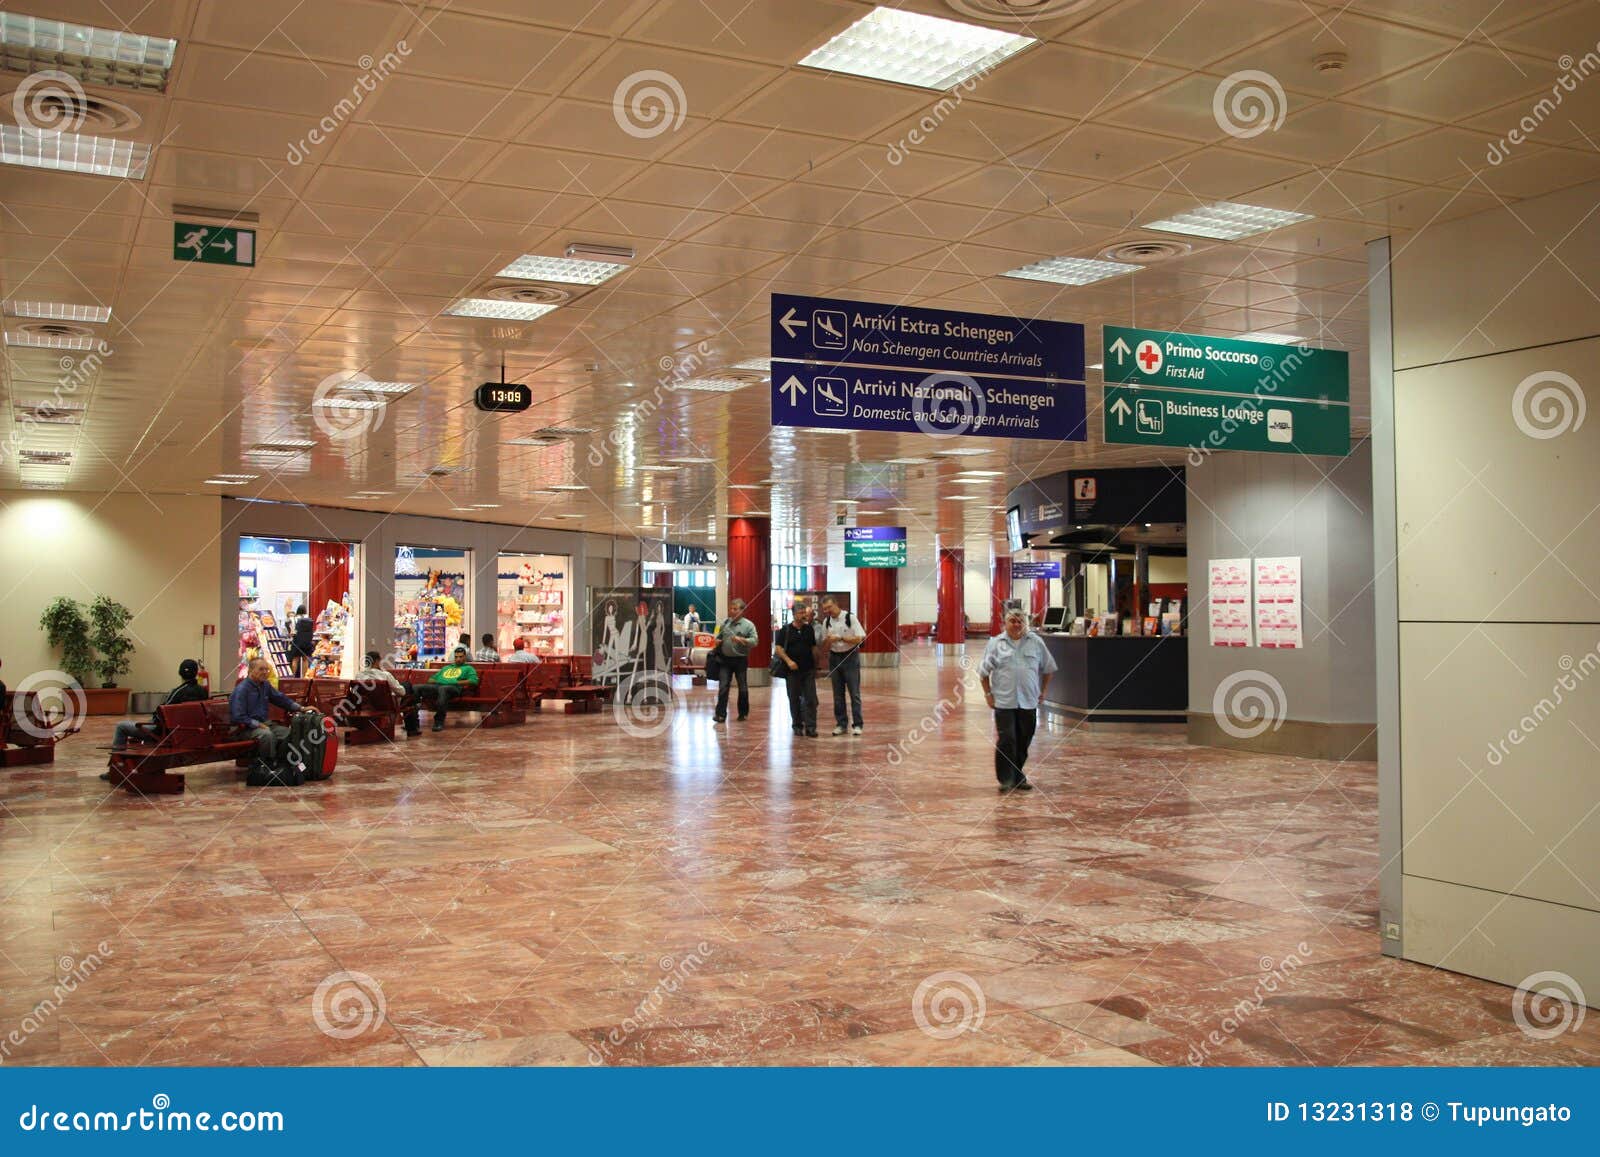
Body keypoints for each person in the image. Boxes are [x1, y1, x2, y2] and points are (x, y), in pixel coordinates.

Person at [978, 609, 1058, 793]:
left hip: (1028, 700)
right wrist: (988, 694)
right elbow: (983, 672)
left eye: (1020, 621)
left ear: (1025, 623)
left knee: (1024, 739)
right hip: (1004, 701)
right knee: (1007, 739)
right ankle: (1006, 779)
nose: (1016, 624)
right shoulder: (995, 643)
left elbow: (1048, 668)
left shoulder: (1036, 642)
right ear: (1004, 624)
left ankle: (1017, 775)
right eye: (1012, 621)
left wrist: (1043, 691)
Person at [111, 659, 208, 751]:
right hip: (193, 732)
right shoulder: (203, 691)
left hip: (165, 732)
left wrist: (153, 720)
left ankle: (117, 760)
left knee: (121, 726)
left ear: (180, 673)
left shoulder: (178, 691)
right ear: (196, 673)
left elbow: (161, 713)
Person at [230, 657, 304, 763]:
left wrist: (301, 708)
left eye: (266, 669)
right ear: (251, 670)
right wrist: (257, 724)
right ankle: (266, 766)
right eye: (261, 669)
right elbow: (237, 716)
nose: (265, 672)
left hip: (265, 724)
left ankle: (281, 763)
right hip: (245, 729)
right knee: (267, 736)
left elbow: (280, 699)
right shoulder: (242, 689)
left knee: (290, 734)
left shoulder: (265, 685)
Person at [818, 596, 867, 736]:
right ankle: (841, 724)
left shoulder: (849, 618)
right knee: (837, 695)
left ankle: (857, 724)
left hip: (850, 657)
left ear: (836, 604)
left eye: (829, 607)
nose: (828, 611)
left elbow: (859, 638)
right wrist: (828, 641)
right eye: (825, 609)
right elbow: (824, 647)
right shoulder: (826, 622)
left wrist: (840, 638)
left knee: (854, 693)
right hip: (834, 658)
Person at [773, 599, 819, 738]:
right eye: (800, 613)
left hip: (808, 670)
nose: (803, 615)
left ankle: (811, 727)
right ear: (794, 614)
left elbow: (813, 647)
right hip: (792, 671)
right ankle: (797, 725)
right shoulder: (785, 630)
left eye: (804, 612)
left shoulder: (809, 629)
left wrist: (816, 664)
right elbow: (779, 648)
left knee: (811, 699)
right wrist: (788, 661)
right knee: (794, 698)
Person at [712, 598, 758, 725]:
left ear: (742, 611)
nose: (732, 611)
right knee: (723, 687)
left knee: (742, 688)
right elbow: (718, 637)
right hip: (725, 660)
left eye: (735, 609)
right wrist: (717, 641)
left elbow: (755, 641)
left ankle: (743, 713)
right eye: (731, 609)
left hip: (740, 660)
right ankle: (720, 714)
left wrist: (742, 640)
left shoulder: (749, 625)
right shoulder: (725, 623)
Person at [413, 645, 478, 732]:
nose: (458, 659)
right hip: (439, 687)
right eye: (456, 657)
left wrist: (455, 682)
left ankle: (439, 721)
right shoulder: (446, 668)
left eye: (460, 657)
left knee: (443, 689)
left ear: (465, 657)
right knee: (416, 688)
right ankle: (412, 721)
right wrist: (443, 681)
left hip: (454, 688)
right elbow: (431, 680)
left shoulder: (468, 668)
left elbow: (473, 681)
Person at [355, 650, 420, 737]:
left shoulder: (359, 675)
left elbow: (355, 692)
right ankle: (412, 727)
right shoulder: (385, 675)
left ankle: (415, 710)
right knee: (408, 687)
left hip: (367, 705)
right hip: (387, 705)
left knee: (409, 690)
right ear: (377, 661)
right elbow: (402, 692)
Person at [289, 604, 315, 677]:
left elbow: (292, 631)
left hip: (297, 642)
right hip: (307, 642)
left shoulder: (294, 619)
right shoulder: (309, 619)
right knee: (305, 659)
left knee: (295, 659)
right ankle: (304, 676)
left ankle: (293, 676)